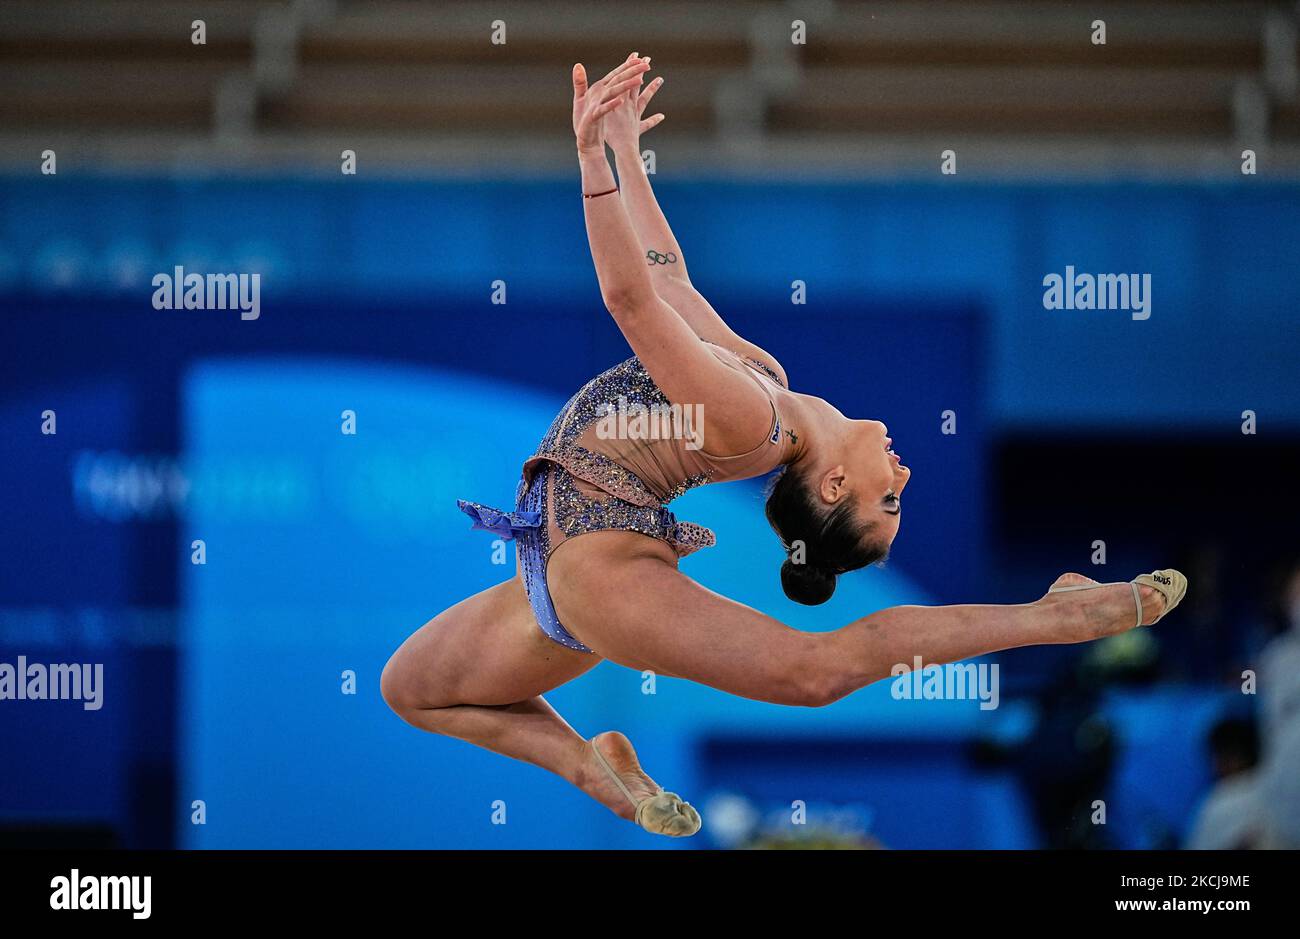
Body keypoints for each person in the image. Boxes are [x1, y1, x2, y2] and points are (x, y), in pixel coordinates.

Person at [381, 54, 1188, 837]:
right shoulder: (767, 379)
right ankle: (592, 767)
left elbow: (629, 301)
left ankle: (1051, 617)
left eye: (891, 495)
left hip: (596, 558)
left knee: (815, 672)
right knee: (410, 688)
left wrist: (591, 159)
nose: (904, 470)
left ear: (832, 487)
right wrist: (630, 148)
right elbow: (667, 280)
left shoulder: (749, 424)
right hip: (556, 564)